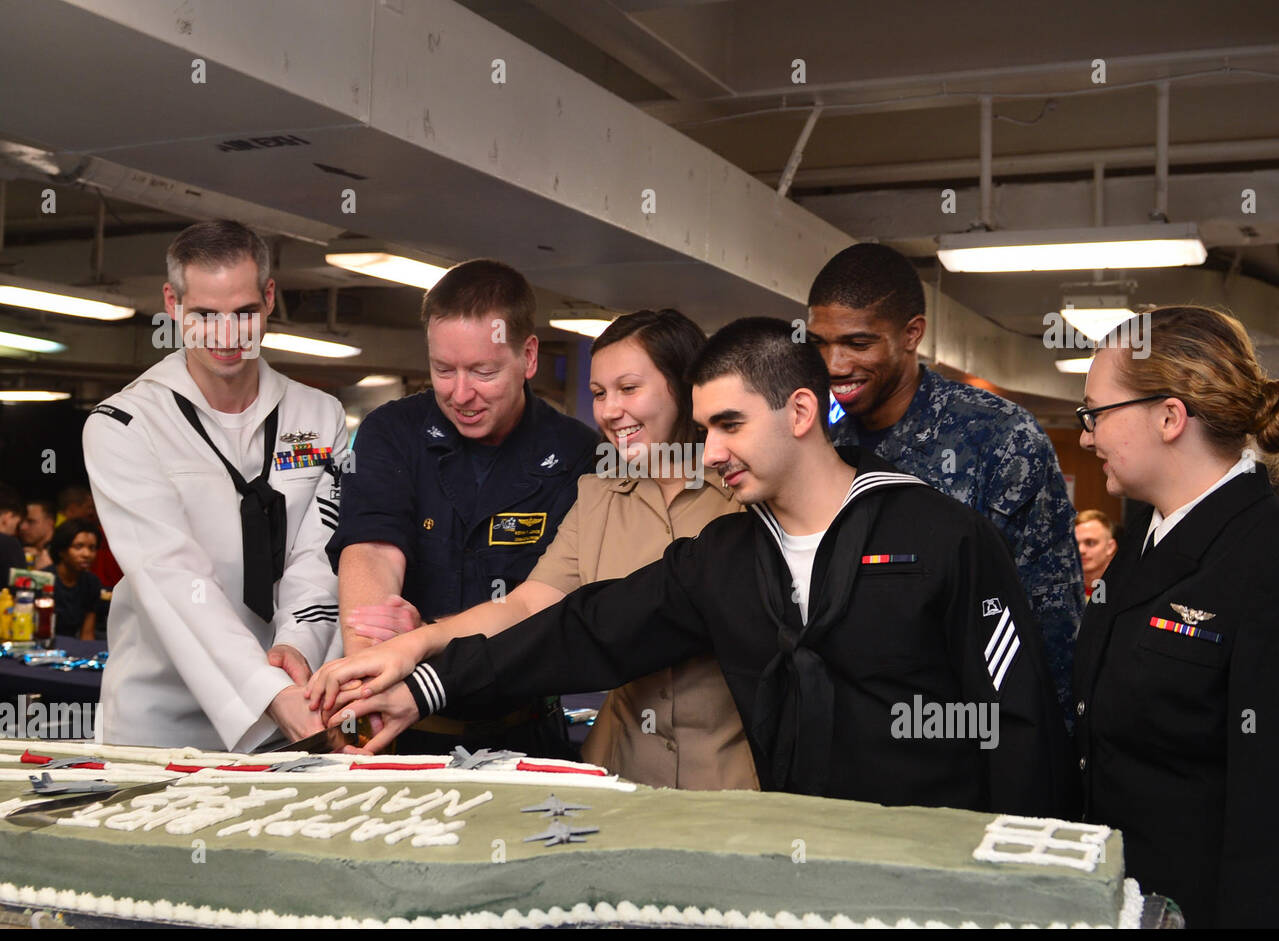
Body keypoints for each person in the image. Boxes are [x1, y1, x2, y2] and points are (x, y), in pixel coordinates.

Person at [321, 317, 1069, 816]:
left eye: (731, 425)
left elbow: (1018, 724)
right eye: (705, 427)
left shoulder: (941, 537)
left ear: (801, 413)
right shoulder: (729, 558)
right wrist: (426, 680)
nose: (709, 452)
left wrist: (1029, 880)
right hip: (799, 869)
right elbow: (582, 629)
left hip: (936, 872)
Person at [310, 310, 758, 790]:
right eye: (599, 394)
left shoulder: (745, 497)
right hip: (619, 774)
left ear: (683, 386)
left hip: (731, 773)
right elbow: (527, 603)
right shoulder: (598, 494)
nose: (609, 411)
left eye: (629, 389)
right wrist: (416, 643)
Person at [1074, 305, 1279, 928]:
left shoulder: (1276, 560)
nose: (1088, 436)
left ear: (1170, 417)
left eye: (1095, 414)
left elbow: (1276, 815)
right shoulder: (1146, 540)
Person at [83, 219, 346, 751]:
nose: (228, 336)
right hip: (158, 718)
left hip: (296, 692)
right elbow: (174, 577)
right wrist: (266, 690)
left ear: (270, 298)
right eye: (205, 314)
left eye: (245, 312)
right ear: (173, 303)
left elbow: (318, 554)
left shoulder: (320, 415)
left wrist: (297, 644)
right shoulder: (124, 425)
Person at [326, 259, 598, 758]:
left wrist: (425, 640)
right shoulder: (392, 432)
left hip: (523, 733)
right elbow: (372, 549)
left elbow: (544, 608)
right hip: (401, 733)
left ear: (529, 356)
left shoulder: (580, 454)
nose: (460, 394)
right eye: (443, 370)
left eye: (483, 371)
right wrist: (369, 676)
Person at [806, 243, 1083, 728]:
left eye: (858, 343)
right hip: (850, 734)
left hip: (968, 737)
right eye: (819, 343)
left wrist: (1050, 768)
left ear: (912, 334)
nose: (834, 364)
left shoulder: (998, 436)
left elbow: (1050, 617)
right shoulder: (819, 440)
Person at [49, 519, 102, 639]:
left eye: (92, 548)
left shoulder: (92, 583)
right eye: (79, 547)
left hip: (73, 647)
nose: (87, 554)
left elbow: (87, 633)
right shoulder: (44, 579)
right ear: (61, 550)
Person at [1073, 509, 1117, 601]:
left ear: (1110, 547)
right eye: (1075, 544)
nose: (1081, 550)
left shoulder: (1125, 588)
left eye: (1090, 543)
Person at [0, 485, 28, 581]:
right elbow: (21, 589)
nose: (16, 532)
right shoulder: (8, 544)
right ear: (7, 517)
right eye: (17, 524)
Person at [20, 500, 55, 571]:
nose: (22, 527)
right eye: (21, 521)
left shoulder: (62, 554)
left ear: (50, 523)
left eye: (31, 521)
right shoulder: (18, 549)